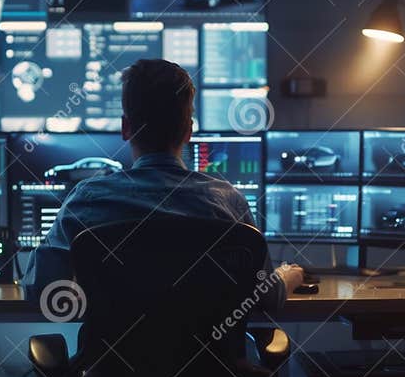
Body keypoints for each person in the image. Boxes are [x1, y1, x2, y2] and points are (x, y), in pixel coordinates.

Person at [22, 58, 302, 309]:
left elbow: (41, 290)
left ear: (126, 128)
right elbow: (267, 298)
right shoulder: (228, 202)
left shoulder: (87, 200)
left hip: (113, 366)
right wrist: (288, 275)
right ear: (189, 131)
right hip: (209, 366)